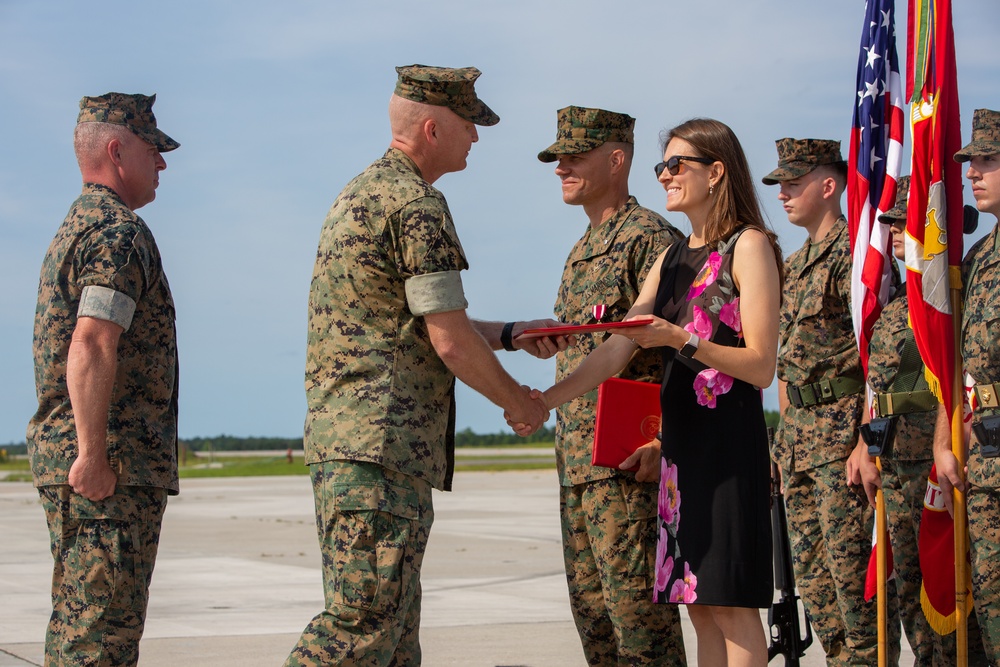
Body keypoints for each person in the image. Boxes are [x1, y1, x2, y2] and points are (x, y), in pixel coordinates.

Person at [285, 64, 561, 667]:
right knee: (362, 627)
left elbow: (413, 321)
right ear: (433, 128)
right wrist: (519, 401)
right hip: (383, 450)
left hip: (354, 444)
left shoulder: (359, 194)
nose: (477, 138)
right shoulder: (417, 204)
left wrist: (511, 334)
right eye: (470, 124)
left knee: (394, 637)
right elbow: (451, 342)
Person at [538, 117, 782, 666]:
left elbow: (762, 365)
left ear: (716, 172)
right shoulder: (669, 259)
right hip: (681, 456)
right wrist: (545, 401)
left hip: (725, 451)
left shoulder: (749, 246)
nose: (666, 176)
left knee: (731, 607)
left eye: (677, 165)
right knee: (698, 607)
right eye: (662, 166)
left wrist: (679, 339)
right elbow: (617, 347)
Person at [26, 92, 180, 666]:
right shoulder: (117, 234)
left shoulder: (77, 226)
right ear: (117, 150)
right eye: (153, 149)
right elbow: (92, 340)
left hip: (87, 465)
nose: (162, 163)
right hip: (108, 473)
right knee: (99, 643)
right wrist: (93, 455)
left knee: (80, 632)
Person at [537, 106, 686, 665]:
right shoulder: (581, 250)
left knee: (641, 631)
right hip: (578, 466)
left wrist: (666, 439)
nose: (560, 167)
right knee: (596, 626)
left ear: (616, 158)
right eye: (557, 158)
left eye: (574, 156)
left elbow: (686, 350)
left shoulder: (651, 240)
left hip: (629, 465)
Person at [764, 137, 900, 664]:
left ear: (829, 185)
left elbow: (877, 357)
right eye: (780, 183)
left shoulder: (856, 257)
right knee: (819, 598)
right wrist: (781, 440)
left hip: (842, 445)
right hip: (799, 445)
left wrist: (867, 441)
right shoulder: (795, 264)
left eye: (794, 182)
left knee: (856, 597)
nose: (784, 192)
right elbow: (786, 361)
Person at [866, 175, 984, 665]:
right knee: (910, 592)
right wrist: (867, 446)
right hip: (893, 462)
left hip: (931, 465)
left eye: (904, 222)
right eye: (891, 222)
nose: (893, 230)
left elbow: (957, 378)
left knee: (953, 590)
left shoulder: (947, 294)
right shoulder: (898, 300)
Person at [936, 107, 1000, 663]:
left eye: (988, 160)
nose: (972, 172)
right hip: (983, 456)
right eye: (969, 162)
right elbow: (957, 366)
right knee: (994, 608)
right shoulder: (979, 260)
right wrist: (942, 439)